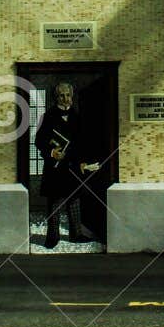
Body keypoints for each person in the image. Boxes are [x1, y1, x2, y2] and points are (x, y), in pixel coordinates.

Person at [33, 81, 102, 248]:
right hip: (55, 168)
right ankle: (52, 237)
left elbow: (83, 142)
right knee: (55, 203)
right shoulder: (48, 116)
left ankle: (76, 235)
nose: (66, 99)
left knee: (74, 200)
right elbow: (39, 141)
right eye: (62, 96)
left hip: (73, 167)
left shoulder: (78, 117)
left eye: (68, 95)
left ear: (72, 96)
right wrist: (52, 153)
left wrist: (83, 161)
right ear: (56, 97)